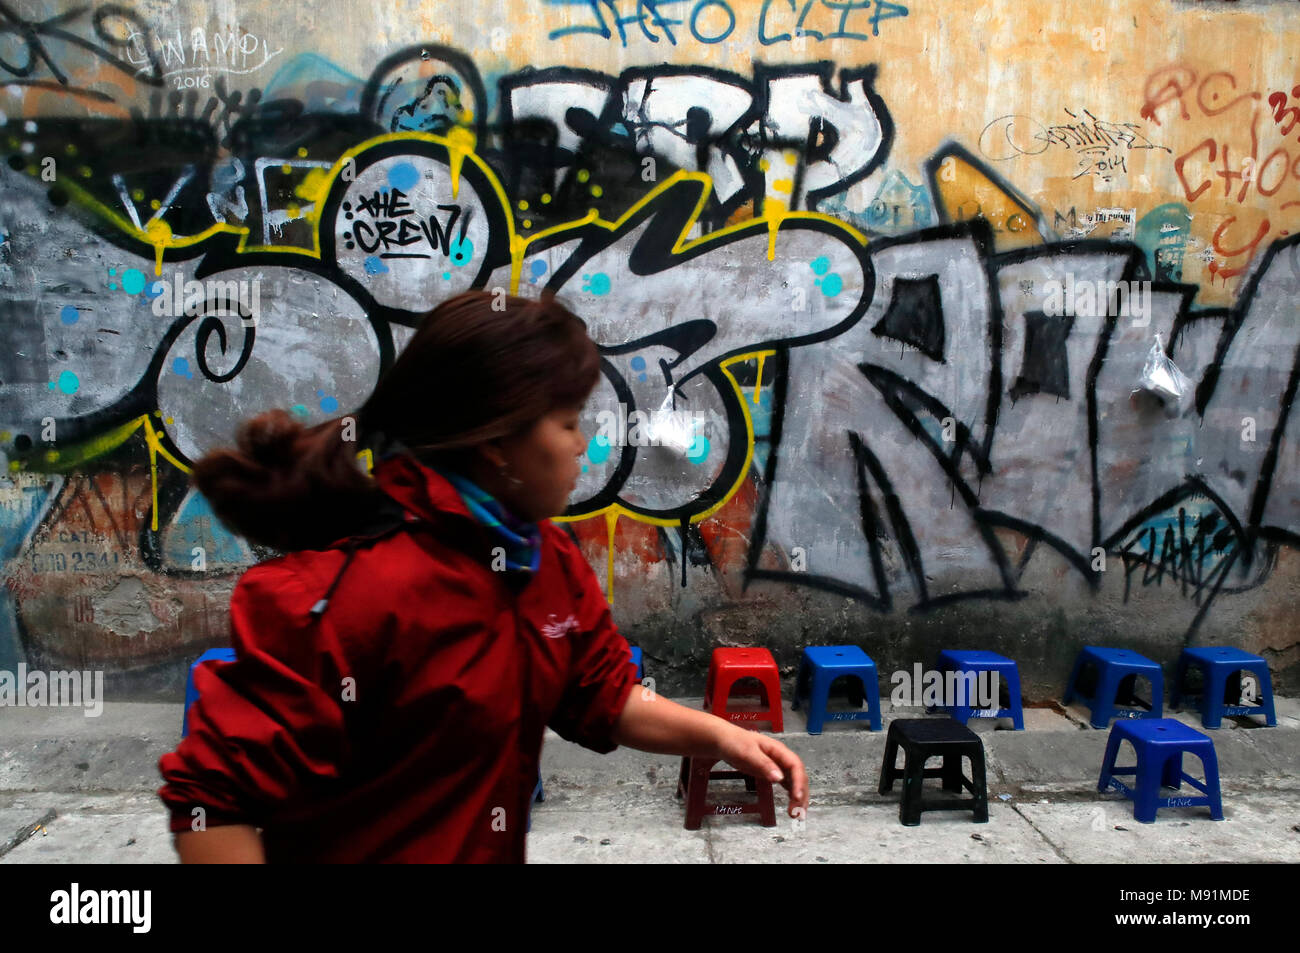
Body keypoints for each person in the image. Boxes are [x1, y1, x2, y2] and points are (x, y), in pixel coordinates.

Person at [157, 289, 809, 863]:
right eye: (566, 422)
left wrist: (723, 735)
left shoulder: (545, 561)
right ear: (497, 443)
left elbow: (604, 694)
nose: (583, 443)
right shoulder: (344, 592)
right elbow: (214, 801)